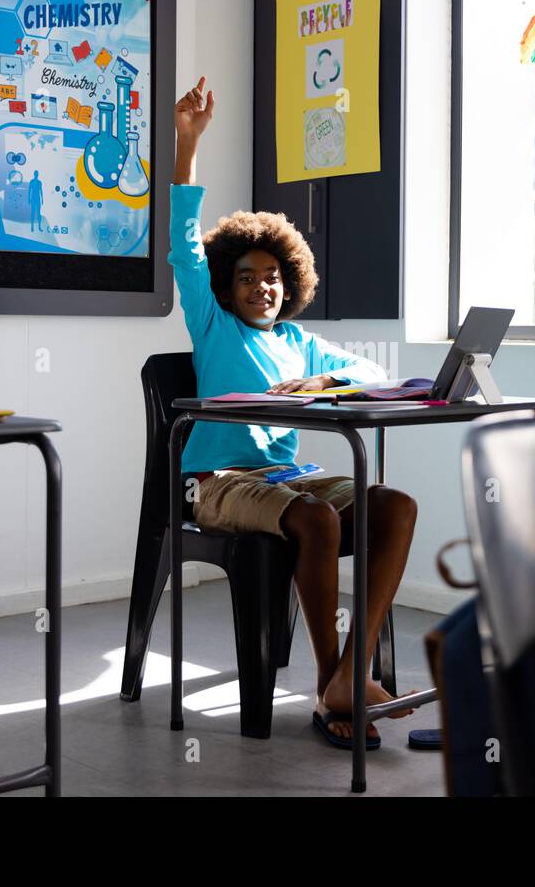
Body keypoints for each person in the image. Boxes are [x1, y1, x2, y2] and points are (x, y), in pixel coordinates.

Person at [170, 76, 418, 748]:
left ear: (291, 281)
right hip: (223, 483)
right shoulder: (214, 325)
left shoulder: (298, 341)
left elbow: (375, 374)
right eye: (246, 277)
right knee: (312, 518)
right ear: (226, 286)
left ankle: (348, 672)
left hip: (293, 476)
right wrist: (186, 144)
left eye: (272, 276)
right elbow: (183, 245)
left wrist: (323, 376)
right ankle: (328, 675)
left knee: (393, 505)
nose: (261, 286)